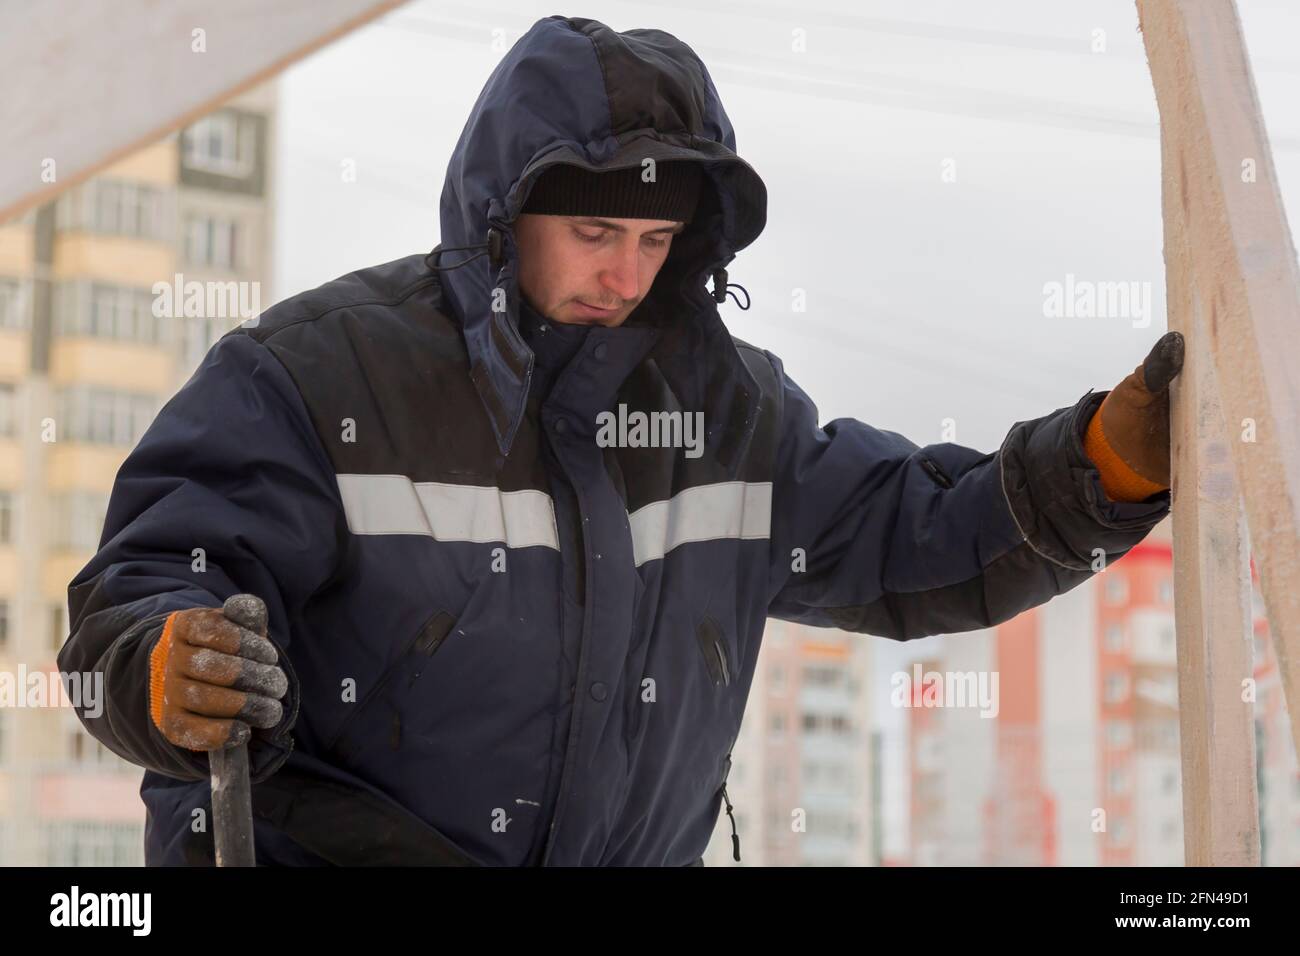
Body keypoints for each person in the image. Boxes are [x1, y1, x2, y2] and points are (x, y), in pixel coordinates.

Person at [60, 15, 1179, 866]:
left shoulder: (729, 417)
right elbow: (153, 578)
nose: (626, 272)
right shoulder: (315, 377)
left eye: (654, 237)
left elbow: (914, 537)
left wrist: (1103, 468)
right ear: (503, 217)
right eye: (593, 230)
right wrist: (162, 666)